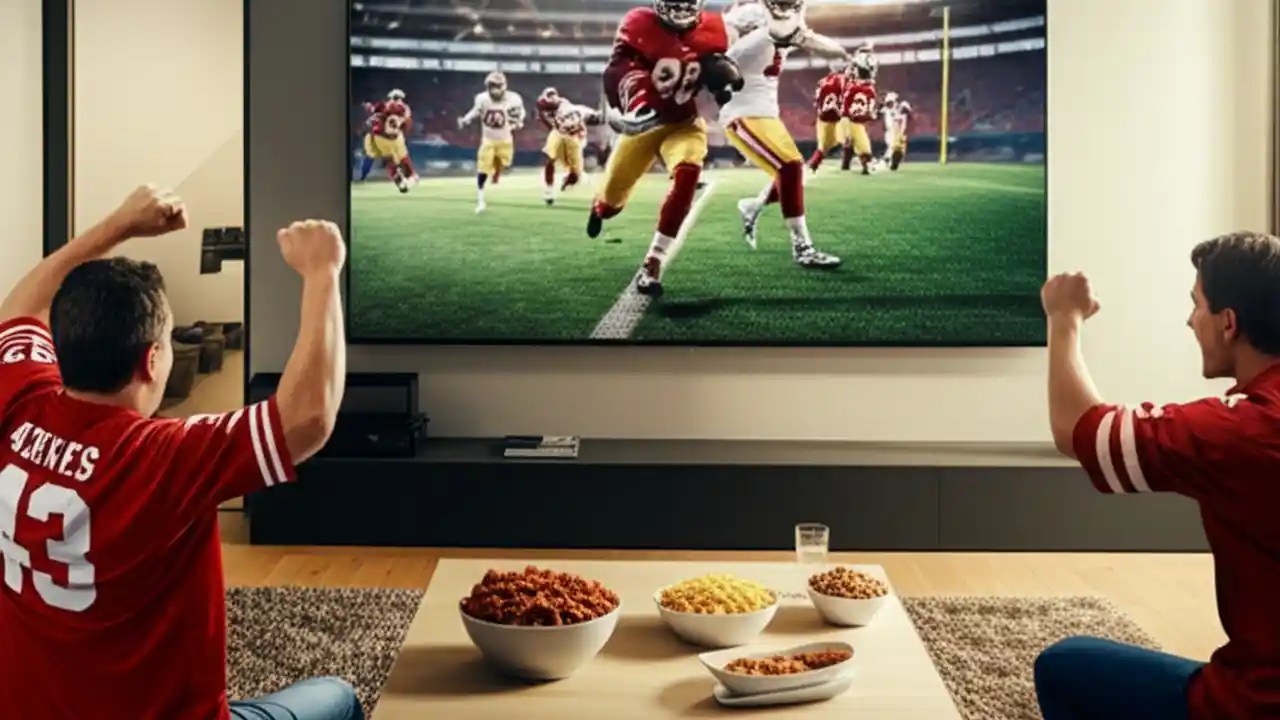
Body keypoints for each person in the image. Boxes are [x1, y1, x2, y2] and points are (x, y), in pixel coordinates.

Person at [0, 185, 358, 720]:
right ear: (152, 359)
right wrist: (323, 272)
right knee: (340, 695)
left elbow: (20, 307)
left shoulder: (18, 400)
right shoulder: (161, 457)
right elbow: (307, 419)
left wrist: (119, 223)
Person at [1036, 231, 1280, 719]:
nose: (1189, 320)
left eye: (1197, 305)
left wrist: (1064, 317)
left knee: (1065, 665)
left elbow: (1079, 430)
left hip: (1256, 703)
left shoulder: (1239, 430)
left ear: (1228, 323)